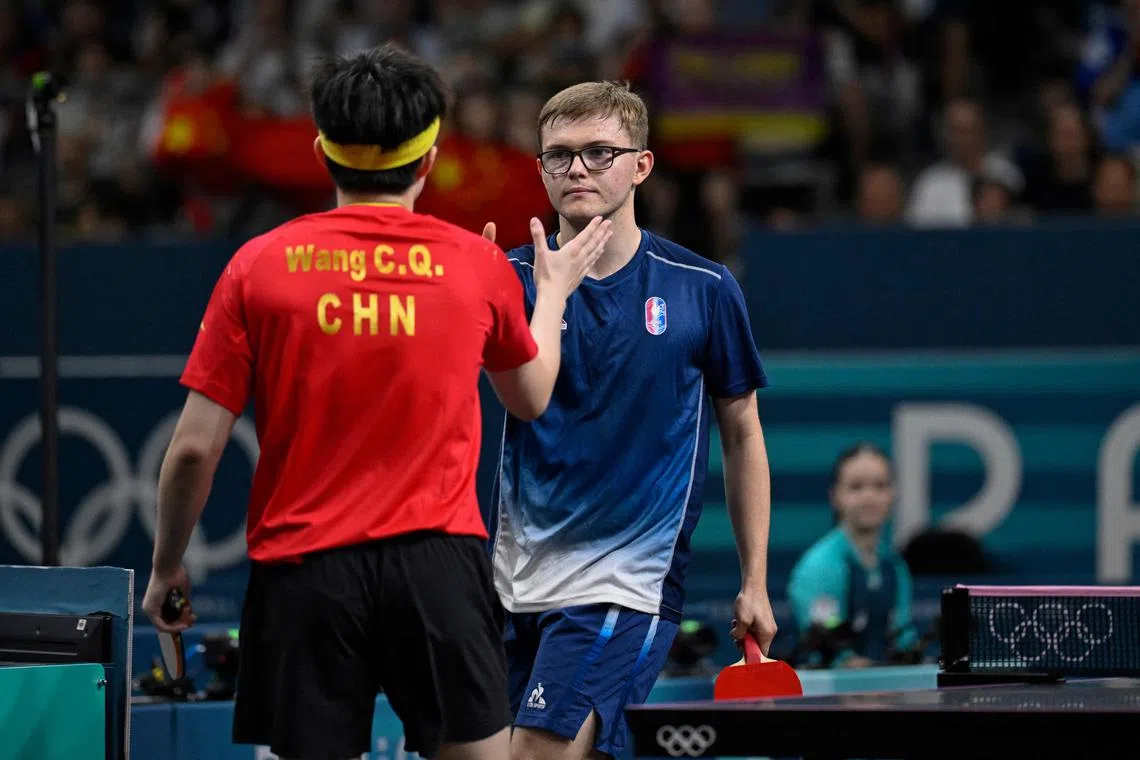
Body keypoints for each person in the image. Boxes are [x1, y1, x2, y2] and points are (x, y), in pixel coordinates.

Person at [140, 43, 612, 760]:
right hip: (438, 567)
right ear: (428, 160)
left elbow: (196, 448)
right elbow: (531, 398)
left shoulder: (258, 265)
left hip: (304, 574)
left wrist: (168, 563)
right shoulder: (475, 262)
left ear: (322, 151)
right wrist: (549, 295)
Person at [484, 81, 776, 760]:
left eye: (598, 152)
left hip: (625, 580)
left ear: (641, 165)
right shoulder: (505, 278)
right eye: (559, 156)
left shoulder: (701, 287)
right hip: (507, 582)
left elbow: (742, 432)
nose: (577, 169)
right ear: (540, 169)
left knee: (536, 753)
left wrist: (754, 579)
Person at [786, 442, 919, 668]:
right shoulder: (819, 566)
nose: (869, 497)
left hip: (890, 695)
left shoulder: (895, 566)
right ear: (835, 496)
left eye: (880, 486)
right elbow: (825, 652)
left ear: (892, 494)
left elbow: (904, 641)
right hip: (826, 698)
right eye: (856, 487)